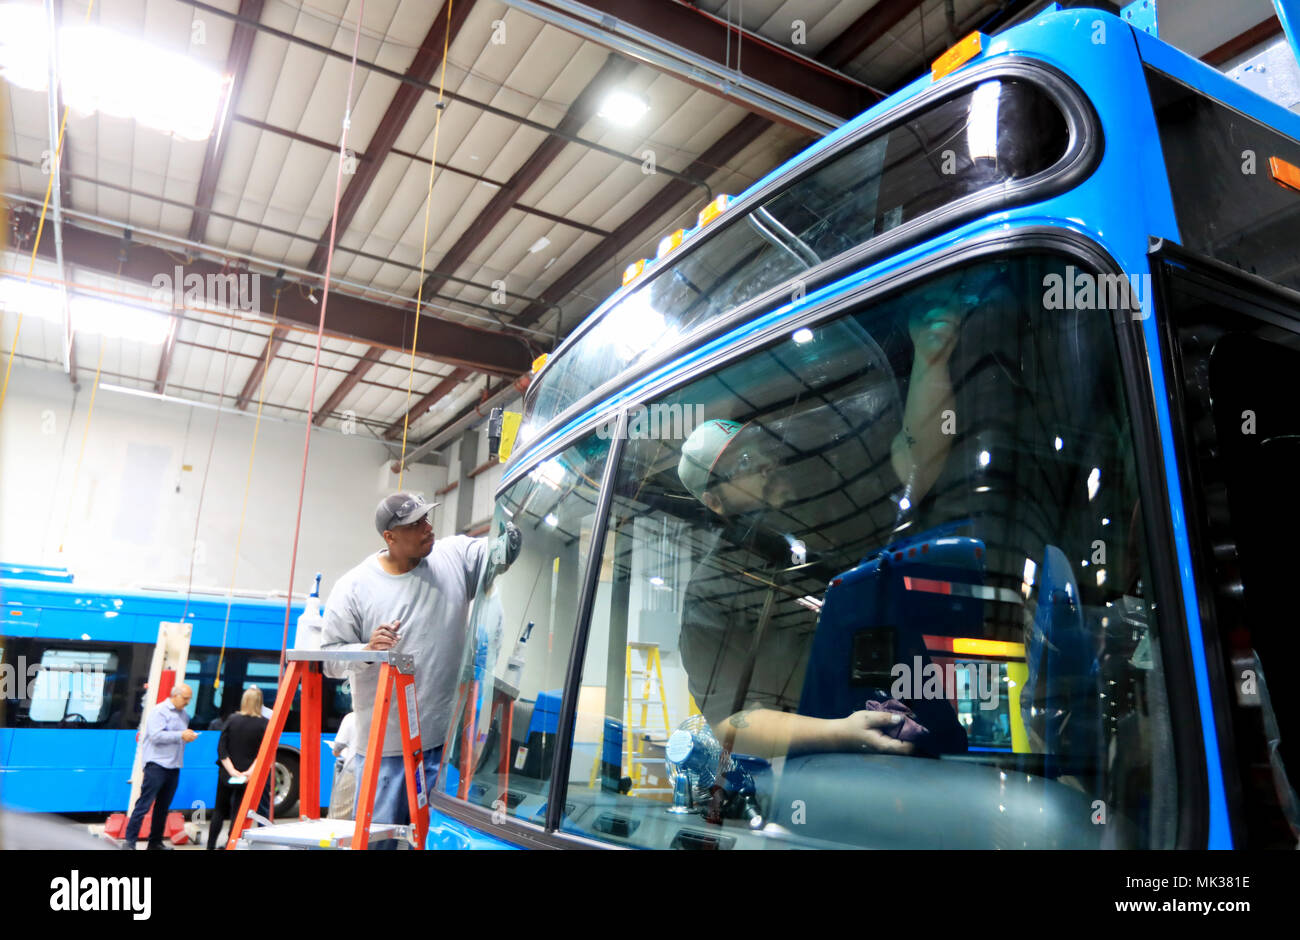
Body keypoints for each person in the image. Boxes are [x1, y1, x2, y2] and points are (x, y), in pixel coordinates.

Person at [674, 286, 975, 762]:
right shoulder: (713, 591)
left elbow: (916, 459)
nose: (764, 465)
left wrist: (931, 359)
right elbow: (731, 721)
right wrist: (841, 732)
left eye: (759, 450)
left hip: (928, 743)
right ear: (715, 502)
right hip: (828, 780)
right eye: (743, 466)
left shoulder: (833, 507)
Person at [320, 492, 519, 847]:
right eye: (415, 526)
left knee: (437, 841)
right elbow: (330, 661)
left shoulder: (453, 555)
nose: (428, 530)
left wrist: (511, 539)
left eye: (427, 520)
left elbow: (495, 555)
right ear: (390, 537)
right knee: (377, 842)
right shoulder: (353, 588)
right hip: (384, 752)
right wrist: (367, 651)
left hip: (444, 749)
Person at [121, 683, 199, 850]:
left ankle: (155, 842)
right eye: (185, 699)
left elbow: (177, 738)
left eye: (189, 699)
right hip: (156, 765)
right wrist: (181, 735)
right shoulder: (159, 711)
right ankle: (130, 841)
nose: (187, 702)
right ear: (175, 695)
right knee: (144, 804)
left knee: (163, 807)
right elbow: (156, 736)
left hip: (174, 766)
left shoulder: (184, 715)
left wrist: (187, 737)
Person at [206, 686, 270, 850]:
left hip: (227, 774)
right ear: (259, 703)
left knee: (219, 810)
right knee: (238, 811)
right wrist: (249, 772)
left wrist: (231, 770)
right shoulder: (264, 724)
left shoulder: (232, 719)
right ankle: (230, 844)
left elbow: (221, 748)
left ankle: (210, 845)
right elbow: (263, 753)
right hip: (247, 775)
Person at [327, 711, 359, 820]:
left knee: (339, 816)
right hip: (385, 772)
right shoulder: (391, 716)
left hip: (354, 770)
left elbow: (337, 750)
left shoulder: (352, 717)